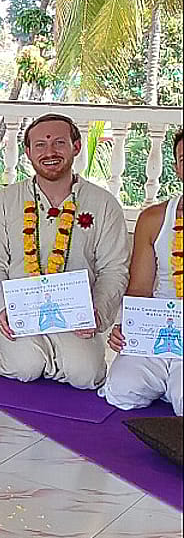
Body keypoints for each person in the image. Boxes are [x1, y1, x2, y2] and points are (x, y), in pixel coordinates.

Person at [0, 113, 129, 389]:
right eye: (40, 145)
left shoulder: (103, 203)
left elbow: (113, 269)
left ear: (76, 147)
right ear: (28, 152)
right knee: (25, 368)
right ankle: (31, 354)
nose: (49, 152)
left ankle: (58, 356)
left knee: (86, 376)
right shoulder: (5, 201)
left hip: (76, 313)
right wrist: (1, 309)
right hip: (21, 311)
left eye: (59, 143)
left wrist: (97, 312)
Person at [100, 129, 183, 414]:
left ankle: (174, 385)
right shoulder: (155, 218)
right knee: (122, 390)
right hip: (156, 332)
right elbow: (139, 290)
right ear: (176, 167)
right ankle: (169, 382)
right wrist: (128, 328)